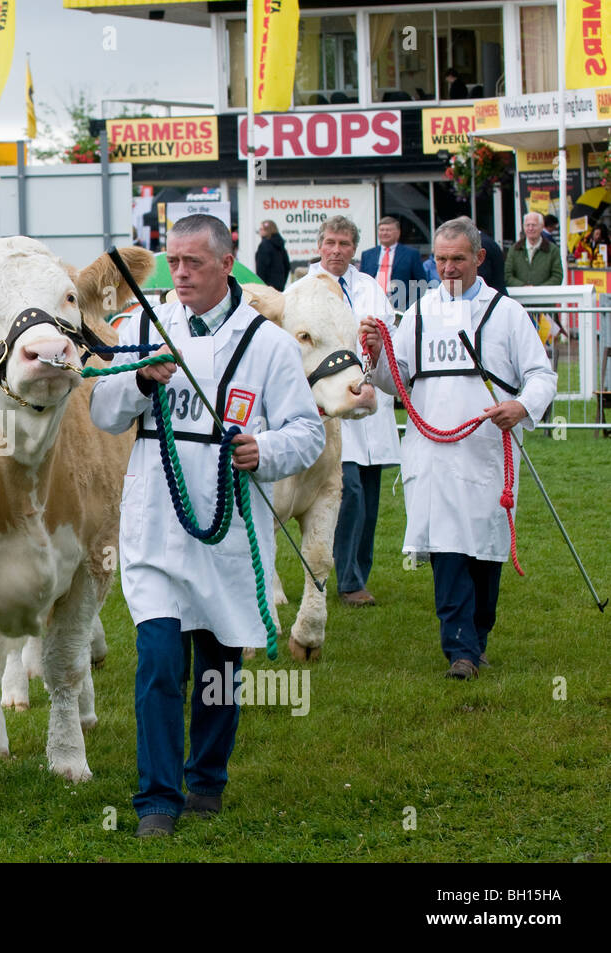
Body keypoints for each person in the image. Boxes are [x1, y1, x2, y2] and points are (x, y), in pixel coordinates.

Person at [90, 214, 326, 836]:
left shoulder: (268, 344)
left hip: (228, 525)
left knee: (220, 664)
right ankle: (158, 801)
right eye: (175, 261)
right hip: (156, 520)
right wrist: (139, 378)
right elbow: (103, 411)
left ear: (228, 264)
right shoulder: (144, 326)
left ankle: (207, 781)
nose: (182, 273)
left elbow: (307, 431)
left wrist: (263, 451)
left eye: (195, 262)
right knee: (160, 659)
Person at [360, 217, 557, 680]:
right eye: (441, 260)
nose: (448, 269)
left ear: (479, 259)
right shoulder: (421, 311)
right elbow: (398, 382)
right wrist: (377, 355)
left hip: (488, 449)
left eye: (457, 259)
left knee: (484, 551)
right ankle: (460, 650)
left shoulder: (506, 313)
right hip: (432, 450)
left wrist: (520, 407)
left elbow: (542, 376)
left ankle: (478, 633)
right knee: (445, 547)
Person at [310, 216, 400, 607]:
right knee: (349, 492)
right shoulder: (303, 289)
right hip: (329, 406)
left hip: (369, 402)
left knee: (369, 490)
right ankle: (346, 580)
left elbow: (388, 331)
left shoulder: (370, 288)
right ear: (319, 245)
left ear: (354, 249)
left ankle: (357, 572)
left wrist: (379, 342)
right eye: (330, 242)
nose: (336, 250)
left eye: (344, 244)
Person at [359, 216, 422, 310]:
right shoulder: (367, 254)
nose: (384, 233)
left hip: (400, 307)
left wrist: (409, 306)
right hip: (372, 306)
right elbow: (361, 281)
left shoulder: (411, 254)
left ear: (398, 233)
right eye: (382, 230)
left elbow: (421, 283)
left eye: (388, 230)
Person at [505, 212, 563, 288]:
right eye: (527, 225)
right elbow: (507, 275)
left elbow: (557, 277)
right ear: (523, 227)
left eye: (534, 225)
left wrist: (538, 290)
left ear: (542, 227)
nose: (530, 228)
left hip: (545, 298)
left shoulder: (553, 250)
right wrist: (523, 286)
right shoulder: (514, 249)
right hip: (519, 298)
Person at [254, 220, 290, 291]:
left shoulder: (264, 245)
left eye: (261, 229)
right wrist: (282, 281)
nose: (259, 232)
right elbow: (287, 266)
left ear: (267, 231)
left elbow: (261, 268)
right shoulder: (280, 245)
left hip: (267, 286)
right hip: (280, 286)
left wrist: (261, 285)